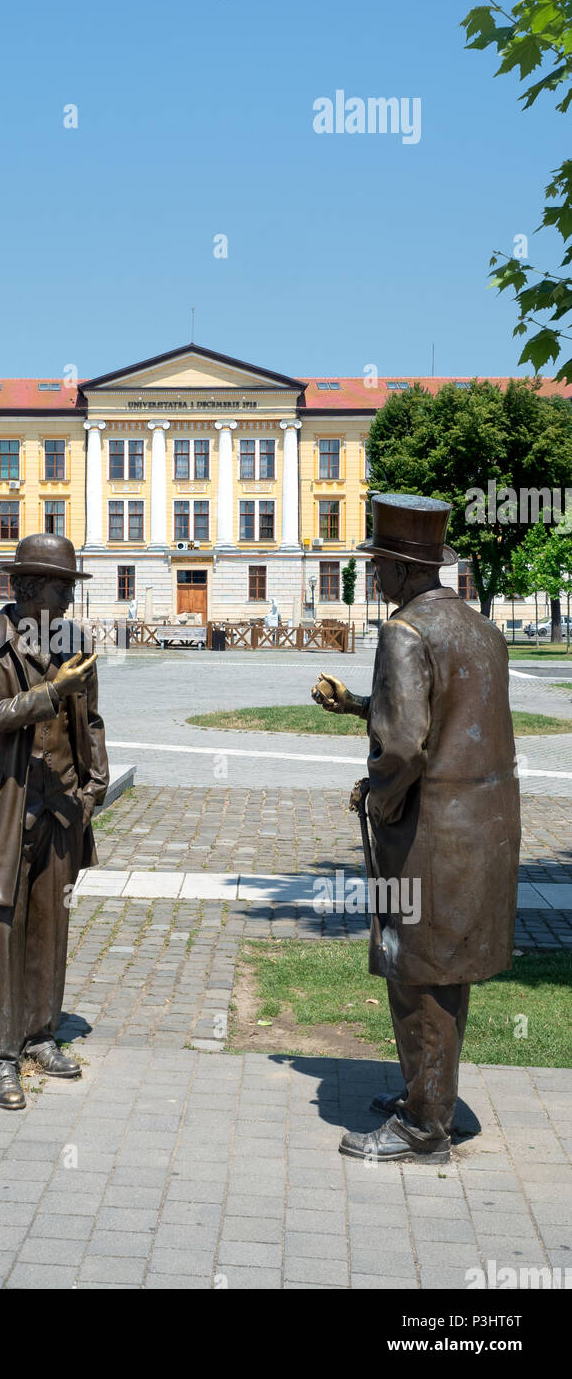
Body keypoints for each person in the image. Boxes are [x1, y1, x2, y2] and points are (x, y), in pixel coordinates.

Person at [311, 494, 519, 1164]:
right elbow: (445, 712)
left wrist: (376, 801)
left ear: (401, 570)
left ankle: (423, 1127)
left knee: (415, 969)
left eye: (377, 565)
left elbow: (402, 748)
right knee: (444, 969)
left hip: (428, 831)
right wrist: (357, 706)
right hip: (482, 826)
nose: (373, 577)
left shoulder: (403, 631)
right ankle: (425, 1095)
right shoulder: (478, 628)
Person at [0, 533, 109, 1109]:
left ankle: (39, 1034)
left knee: (50, 925)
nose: (67, 600)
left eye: (69, 587)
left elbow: (91, 721)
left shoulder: (76, 642)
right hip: (3, 809)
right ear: (23, 588)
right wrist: (49, 692)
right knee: (0, 933)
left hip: (62, 806)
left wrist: (93, 788)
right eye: (60, 588)